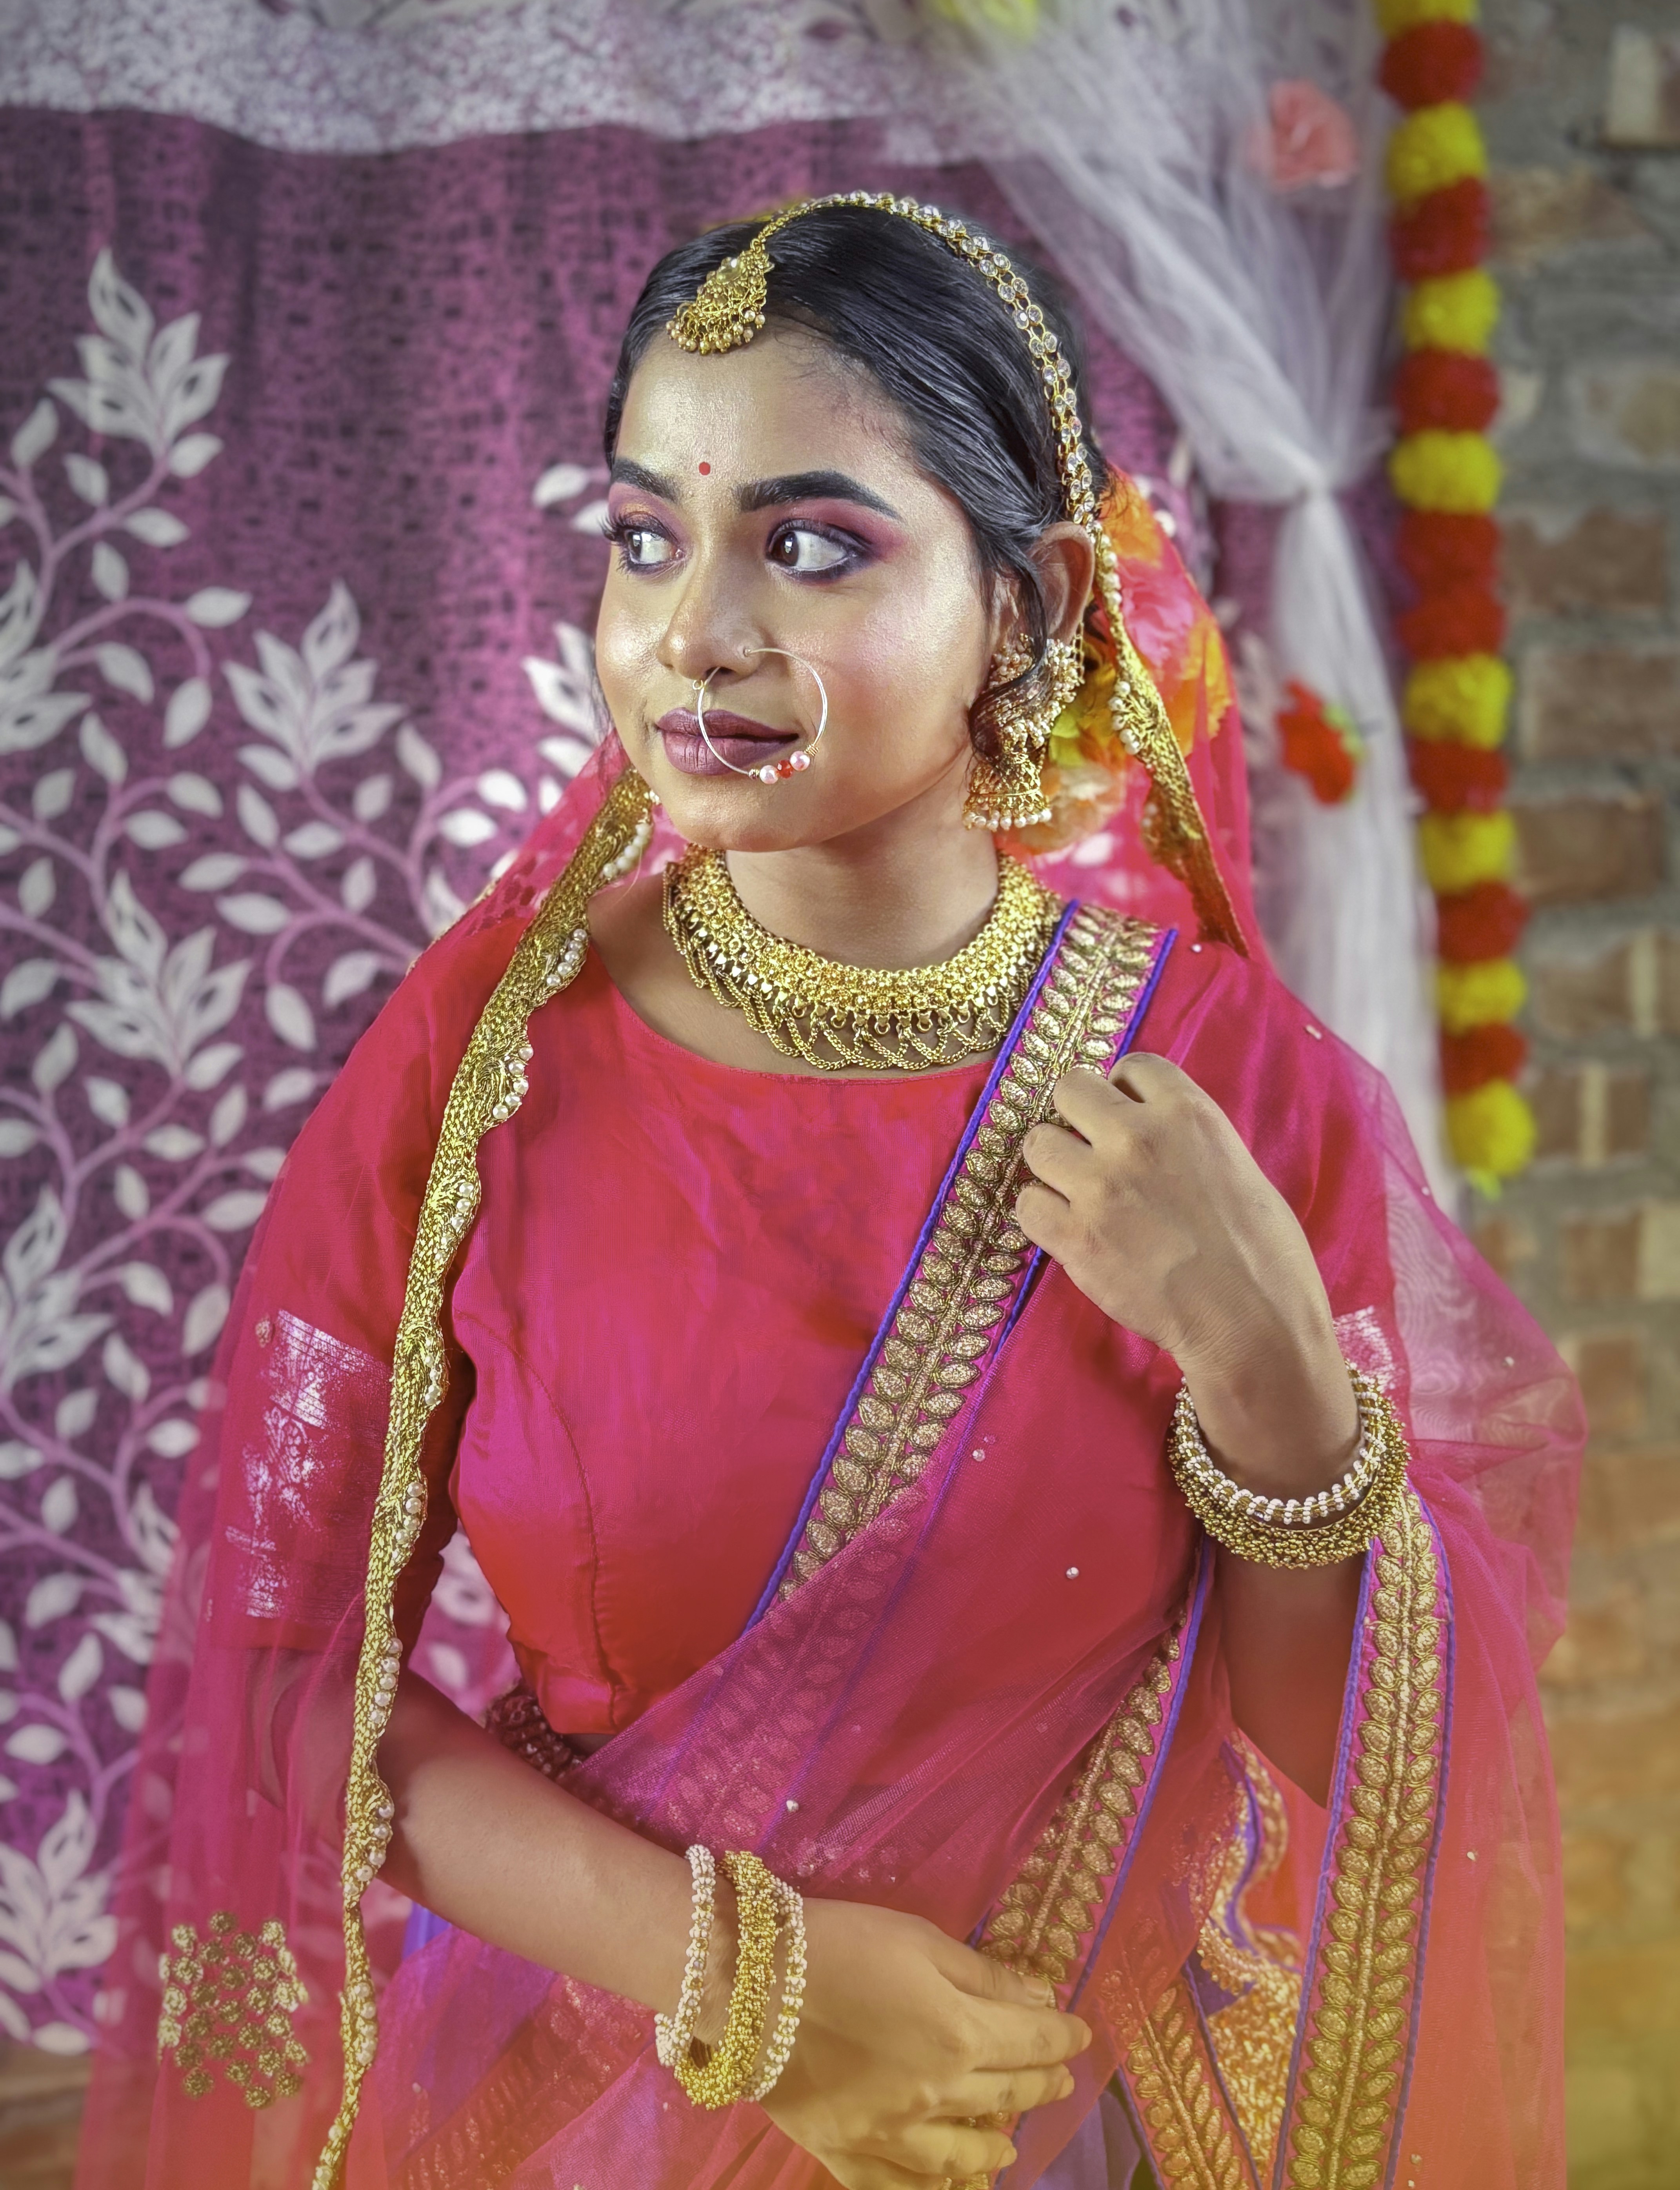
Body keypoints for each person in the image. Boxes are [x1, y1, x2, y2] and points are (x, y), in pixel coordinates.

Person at [76, 196, 1582, 2190]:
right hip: (590, 2106)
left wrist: (1270, 1369)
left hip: (1071, 2125)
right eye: (640, 538)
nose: (687, 631)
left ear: (1028, 609)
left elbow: (1387, 1779)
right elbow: (278, 1681)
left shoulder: (1220, 1093)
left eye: (807, 545)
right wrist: (755, 1988)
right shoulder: (478, 1084)